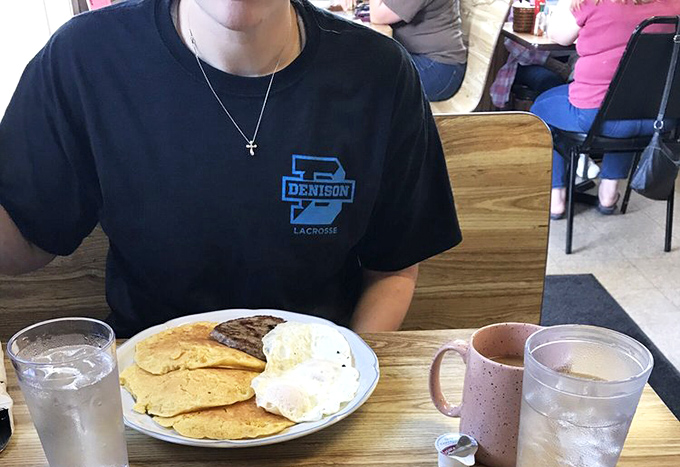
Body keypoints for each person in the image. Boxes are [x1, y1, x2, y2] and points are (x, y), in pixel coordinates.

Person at [0, 0, 461, 337]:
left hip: (317, 381)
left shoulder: (378, 72)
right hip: (146, 389)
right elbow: (25, 247)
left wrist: (345, 374)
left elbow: (393, 269)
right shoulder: (85, 59)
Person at [530, 0, 680, 219]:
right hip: (660, 117)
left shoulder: (592, 2)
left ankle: (556, 196)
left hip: (595, 117)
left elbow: (558, 36)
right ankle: (609, 191)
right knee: (626, 101)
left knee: (541, 107)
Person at [361, 0, 467, 101]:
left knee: (366, 77)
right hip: (419, 57)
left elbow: (378, 16)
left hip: (438, 67)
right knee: (360, 66)